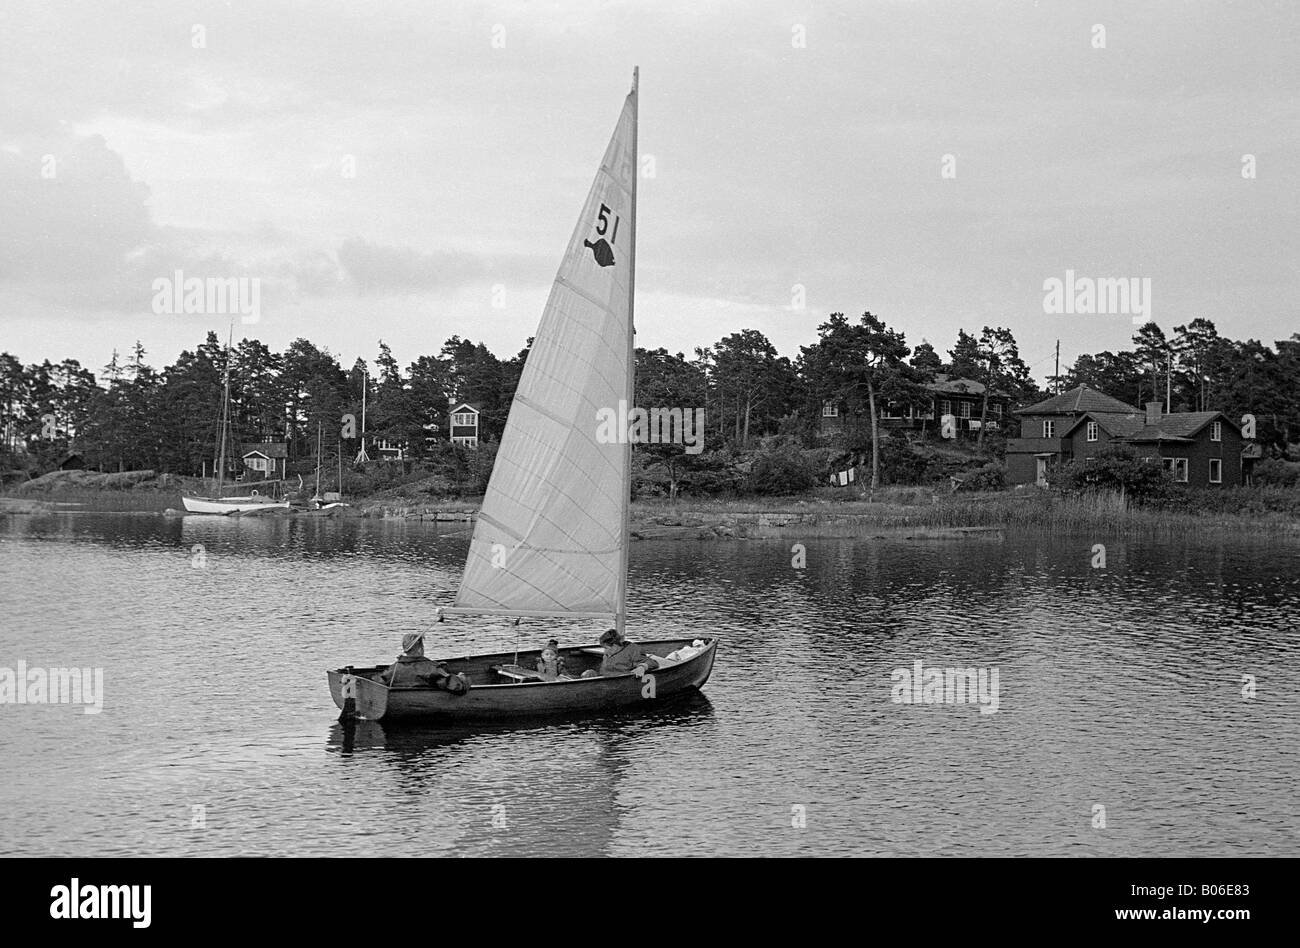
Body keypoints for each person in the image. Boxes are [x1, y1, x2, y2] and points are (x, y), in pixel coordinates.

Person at [382, 631, 454, 689]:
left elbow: (381, 680)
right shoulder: (431, 668)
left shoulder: (394, 668)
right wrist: (461, 678)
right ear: (420, 649)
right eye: (422, 646)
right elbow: (454, 686)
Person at [581, 628, 661, 678]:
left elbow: (653, 662)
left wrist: (642, 667)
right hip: (604, 679)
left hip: (618, 681)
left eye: (606, 648)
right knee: (589, 673)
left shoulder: (631, 650)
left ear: (615, 645)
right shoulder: (609, 653)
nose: (605, 651)